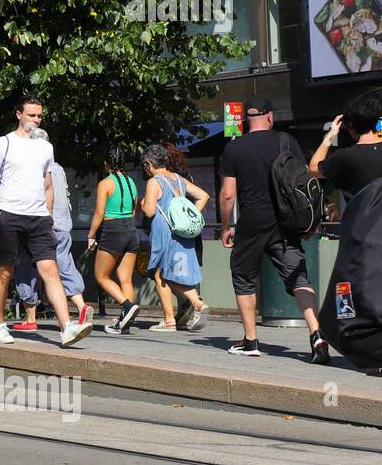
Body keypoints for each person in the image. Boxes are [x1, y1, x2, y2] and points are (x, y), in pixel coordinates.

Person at [219, 99, 326, 361]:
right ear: (270, 117)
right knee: (299, 278)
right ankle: (317, 335)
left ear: (246, 120)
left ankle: (251, 340)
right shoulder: (286, 141)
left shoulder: (234, 148)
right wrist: (310, 221)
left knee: (243, 277)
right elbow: (303, 181)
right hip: (286, 221)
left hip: (252, 222)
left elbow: (228, 195)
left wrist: (225, 227)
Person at [0, 96, 92, 347]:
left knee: (50, 270)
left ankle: (66, 328)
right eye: (31, 115)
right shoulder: (3, 143)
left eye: (39, 116)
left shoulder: (45, 147)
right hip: (10, 214)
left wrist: (49, 216)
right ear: (18, 114)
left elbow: (49, 186)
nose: (36, 120)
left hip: (39, 218)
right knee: (5, 271)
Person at [12, 128, 90, 332]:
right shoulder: (58, 168)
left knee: (26, 268)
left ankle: (30, 318)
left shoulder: (34, 167)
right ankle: (82, 306)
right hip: (64, 225)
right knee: (64, 265)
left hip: (41, 223)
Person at [140, 144, 212, 332]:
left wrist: (142, 203)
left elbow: (149, 211)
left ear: (149, 164)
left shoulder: (154, 182)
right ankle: (197, 303)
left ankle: (169, 319)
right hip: (181, 232)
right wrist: (189, 215)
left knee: (160, 274)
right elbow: (203, 196)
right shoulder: (178, 179)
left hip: (164, 233)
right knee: (173, 275)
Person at [87, 147, 142, 336]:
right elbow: (134, 211)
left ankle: (127, 306)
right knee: (126, 278)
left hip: (113, 230)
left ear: (106, 163)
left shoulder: (105, 183)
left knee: (101, 275)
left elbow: (100, 213)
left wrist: (91, 235)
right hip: (131, 230)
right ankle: (126, 320)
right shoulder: (131, 183)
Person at [310, 86, 382, 200]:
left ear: (352, 127)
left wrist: (331, 134)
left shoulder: (344, 157)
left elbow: (313, 169)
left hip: (361, 217)